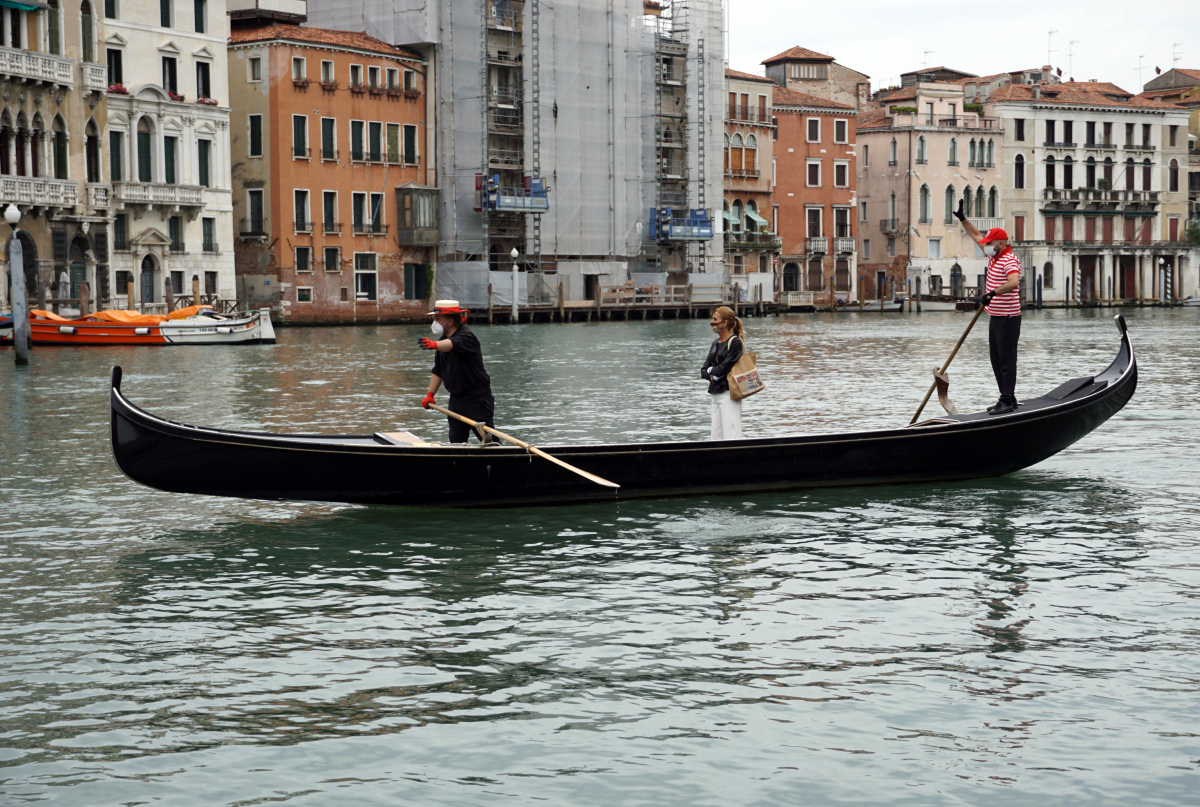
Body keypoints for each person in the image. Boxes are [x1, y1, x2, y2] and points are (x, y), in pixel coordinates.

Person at [955, 200, 1022, 415]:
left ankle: (1006, 399)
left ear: (1000, 243)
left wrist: (992, 293)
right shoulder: (993, 255)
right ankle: (1007, 397)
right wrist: (963, 219)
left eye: (991, 243)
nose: (987, 245)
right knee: (996, 359)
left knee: (1006, 359)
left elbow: (1013, 282)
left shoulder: (1009, 259)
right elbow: (976, 235)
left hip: (1009, 317)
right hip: (995, 315)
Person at [418, 300, 495, 443]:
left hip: (477, 400)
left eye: (438, 319)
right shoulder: (442, 341)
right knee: (456, 442)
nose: (435, 322)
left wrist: (434, 344)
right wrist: (430, 394)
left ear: (450, 321)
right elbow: (438, 371)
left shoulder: (467, 336)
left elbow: (453, 344)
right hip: (456, 400)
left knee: (489, 440)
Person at [700, 306, 745, 440]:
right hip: (715, 392)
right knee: (716, 435)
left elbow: (724, 368)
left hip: (729, 393)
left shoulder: (735, 342)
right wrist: (712, 373)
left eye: (715, 319)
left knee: (732, 432)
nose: (712, 322)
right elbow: (703, 370)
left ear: (724, 323)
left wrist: (712, 371)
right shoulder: (715, 343)